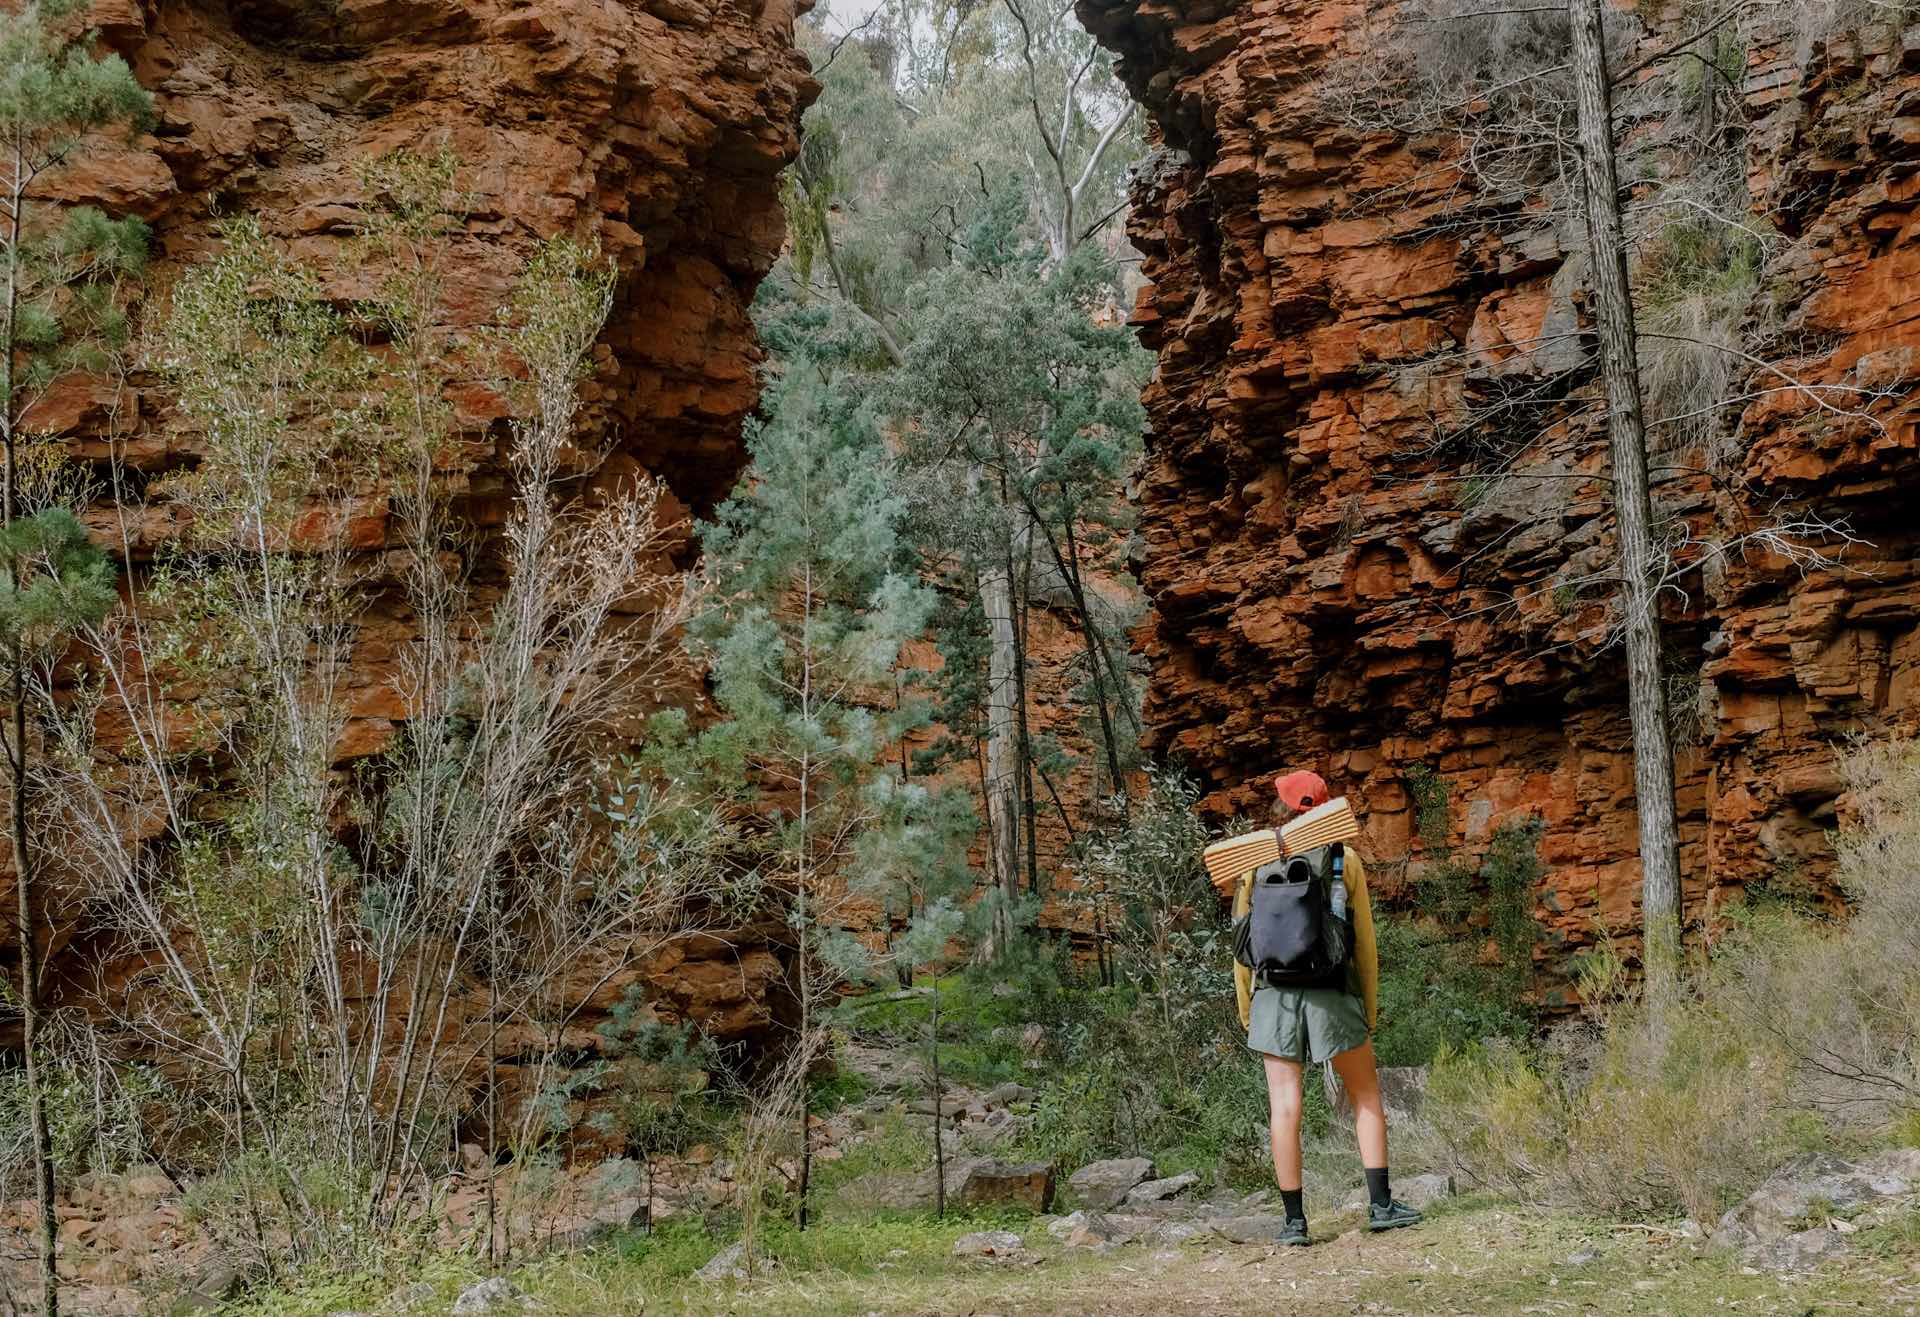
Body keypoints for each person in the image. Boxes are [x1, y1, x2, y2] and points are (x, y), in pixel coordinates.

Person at [1211, 768, 1422, 1245]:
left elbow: (1243, 948)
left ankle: (1293, 1223)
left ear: (1280, 810)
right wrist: (1367, 1008)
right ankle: (1381, 1204)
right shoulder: (1343, 858)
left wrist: (1249, 1011)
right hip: (1332, 992)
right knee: (1365, 1095)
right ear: (1325, 808)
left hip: (1273, 997)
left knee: (1284, 1108)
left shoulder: (1252, 864)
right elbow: (1363, 943)